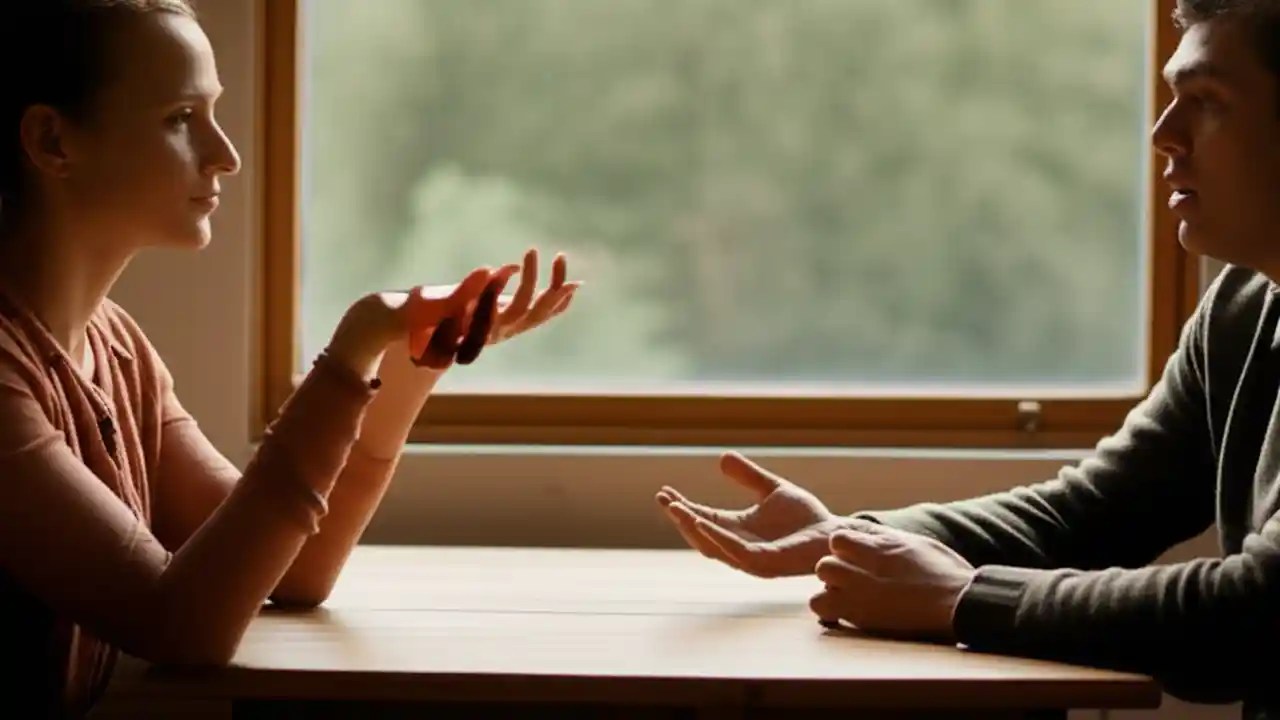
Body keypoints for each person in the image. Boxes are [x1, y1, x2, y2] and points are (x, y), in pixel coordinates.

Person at [659, 0, 1280, 715]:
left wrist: (962, 600)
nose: (1163, 135)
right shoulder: (1246, 303)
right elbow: (1099, 510)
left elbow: (1252, 615)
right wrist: (858, 538)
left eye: (1205, 101)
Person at [0, 1, 580, 716]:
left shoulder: (115, 349)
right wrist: (348, 350)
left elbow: (295, 568)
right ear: (53, 140)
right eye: (180, 118)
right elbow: (180, 624)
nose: (226, 154)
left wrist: (402, 367)